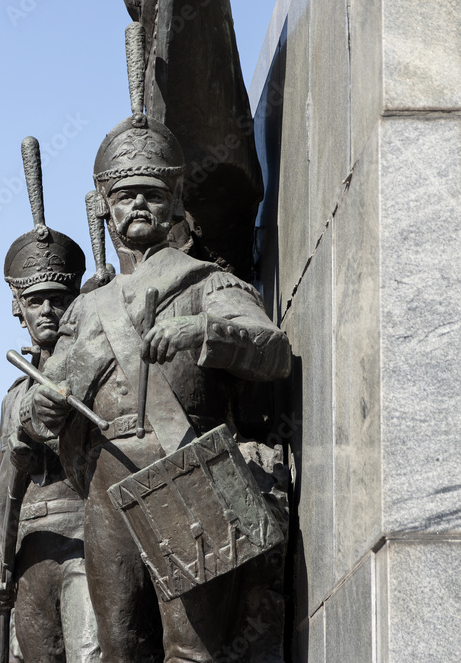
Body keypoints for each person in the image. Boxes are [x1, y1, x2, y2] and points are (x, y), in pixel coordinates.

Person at [17, 111, 291, 662]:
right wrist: (41, 407)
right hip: (105, 484)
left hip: (187, 467)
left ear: (174, 204)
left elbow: (273, 352)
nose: (138, 205)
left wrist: (202, 330)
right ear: (107, 211)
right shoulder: (86, 310)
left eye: (151, 193)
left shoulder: (207, 282)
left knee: (190, 648)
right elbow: (34, 415)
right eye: (125, 196)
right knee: (119, 646)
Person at [0, 138, 101, 663]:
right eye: (36, 300)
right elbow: (6, 480)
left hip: (92, 535)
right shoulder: (14, 395)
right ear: (17, 308)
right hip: (31, 546)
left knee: (94, 652)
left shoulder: (99, 360)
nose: (48, 310)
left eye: (59, 298)